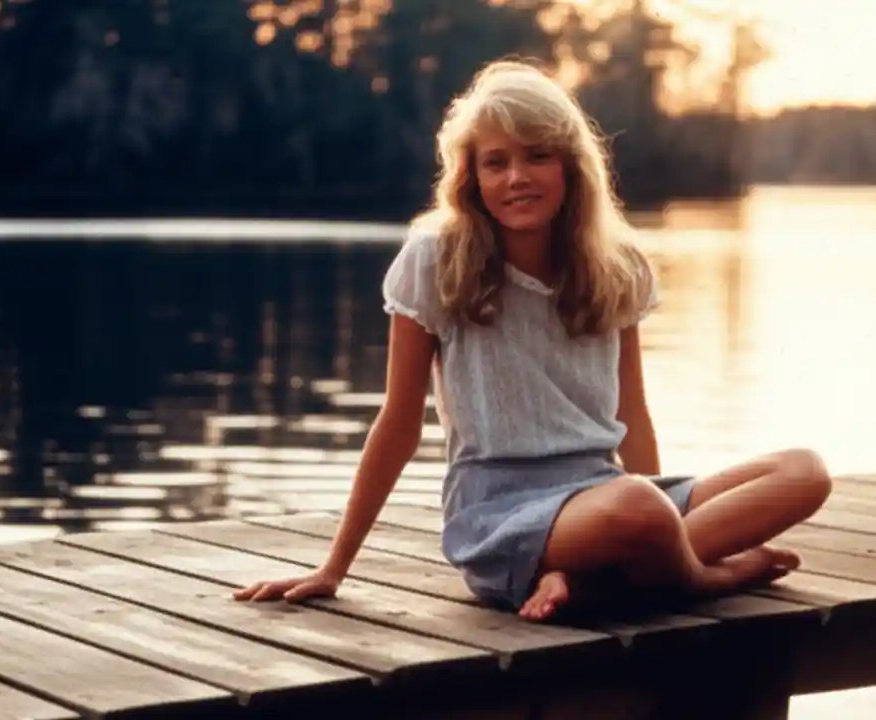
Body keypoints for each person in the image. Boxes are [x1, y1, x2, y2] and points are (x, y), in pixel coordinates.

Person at [234, 59, 831, 622]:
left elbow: (632, 411)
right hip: (500, 514)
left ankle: (595, 577)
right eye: (496, 162)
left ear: (571, 167)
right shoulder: (435, 260)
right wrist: (333, 568)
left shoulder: (617, 264)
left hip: (606, 499)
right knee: (640, 508)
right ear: (472, 178)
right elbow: (398, 421)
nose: (516, 177)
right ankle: (698, 579)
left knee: (803, 472)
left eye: (537, 156)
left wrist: (649, 517)